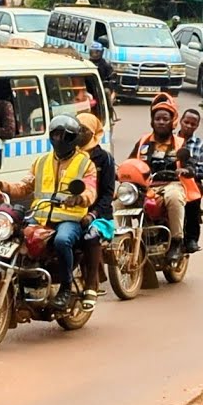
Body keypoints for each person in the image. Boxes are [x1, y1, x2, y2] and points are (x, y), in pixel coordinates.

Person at [0, 115, 98, 309]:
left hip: (69, 219)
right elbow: (23, 186)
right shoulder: (41, 161)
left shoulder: (85, 164)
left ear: (73, 138)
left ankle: (65, 288)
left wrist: (79, 198)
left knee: (62, 241)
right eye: (55, 135)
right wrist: (1, 185)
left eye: (63, 136)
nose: (58, 139)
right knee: (13, 235)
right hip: (40, 216)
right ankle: (20, 281)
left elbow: (90, 189)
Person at [125, 97, 200, 263]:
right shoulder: (143, 142)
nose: (160, 122)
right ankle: (123, 237)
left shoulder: (180, 143)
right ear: (152, 121)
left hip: (172, 184)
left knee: (174, 197)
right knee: (120, 201)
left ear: (172, 122)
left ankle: (176, 241)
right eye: (157, 119)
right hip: (146, 186)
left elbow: (192, 165)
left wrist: (186, 170)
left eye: (165, 119)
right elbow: (130, 161)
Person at [77, 113, 115, 310]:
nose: (79, 133)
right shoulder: (69, 154)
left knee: (90, 236)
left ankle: (92, 284)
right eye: (77, 128)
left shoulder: (105, 159)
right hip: (71, 211)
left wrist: (93, 214)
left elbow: (108, 195)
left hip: (99, 214)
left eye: (84, 130)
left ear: (93, 133)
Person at [178, 109, 203, 253]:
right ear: (180, 121)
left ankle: (191, 239)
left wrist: (189, 172)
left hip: (191, 182)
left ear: (197, 126)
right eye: (186, 122)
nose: (189, 126)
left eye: (193, 124)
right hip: (165, 180)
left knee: (193, 198)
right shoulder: (170, 140)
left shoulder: (200, 145)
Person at [89, 42, 119, 120]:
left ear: (101, 52)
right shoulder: (87, 64)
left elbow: (113, 76)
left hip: (102, 87)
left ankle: (109, 114)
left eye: (97, 52)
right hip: (89, 87)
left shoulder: (106, 65)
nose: (95, 54)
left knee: (106, 92)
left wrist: (111, 81)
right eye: (93, 52)